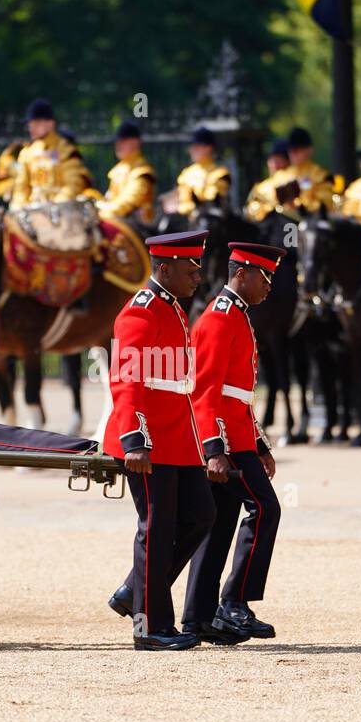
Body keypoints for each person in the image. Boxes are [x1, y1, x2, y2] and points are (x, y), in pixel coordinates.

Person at [103, 230, 215, 650]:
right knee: (156, 527)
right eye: (190, 269)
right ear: (164, 269)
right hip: (148, 438)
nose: (198, 276)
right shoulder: (141, 311)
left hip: (177, 436)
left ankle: (137, 591)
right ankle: (149, 627)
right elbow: (125, 378)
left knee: (201, 515)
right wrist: (134, 438)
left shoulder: (170, 306)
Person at [183, 242, 282, 644]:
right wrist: (213, 448)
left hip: (237, 436)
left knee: (219, 523)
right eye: (265, 277)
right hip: (223, 440)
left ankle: (199, 617)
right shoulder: (220, 318)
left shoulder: (236, 315)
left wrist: (259, 442)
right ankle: (234, 602)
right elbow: (203, 390)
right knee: (265, 508)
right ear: (241, 273)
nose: (269, 287)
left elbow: (239, 392)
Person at [8, 98, 92, 209]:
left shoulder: (65, 149)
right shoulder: (27, 153)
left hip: (61, 212)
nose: (31, 128)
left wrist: (55, 206)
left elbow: (73, 185)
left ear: (50, 124)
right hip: (32, 212)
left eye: (37, 123)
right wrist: (18, 209)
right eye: (30, 124)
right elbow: (20, 188)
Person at [97, 120, 155, 226]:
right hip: (115, 221)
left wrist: (103, 211)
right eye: (117, 141)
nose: (118, 145)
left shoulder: (142, 170)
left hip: (136, 228)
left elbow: (128, 202)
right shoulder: (119, 168)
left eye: (123, 141)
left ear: (135, 142)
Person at [176, 127, 231, 216]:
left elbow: (211, 202)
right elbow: (183, 204)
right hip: (187, 221)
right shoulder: (186, 173)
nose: (192, 150)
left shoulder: (220, 174)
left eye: (197, 146)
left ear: (208, 148)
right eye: (192, 146)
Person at [282, 126, 337, 214]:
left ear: (309, 150)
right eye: (291, 150)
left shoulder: (320, 174)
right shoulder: (282, 175)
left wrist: (299, 206)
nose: (293, 153)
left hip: (310, 221)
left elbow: (326, 204)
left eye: (297, 149)